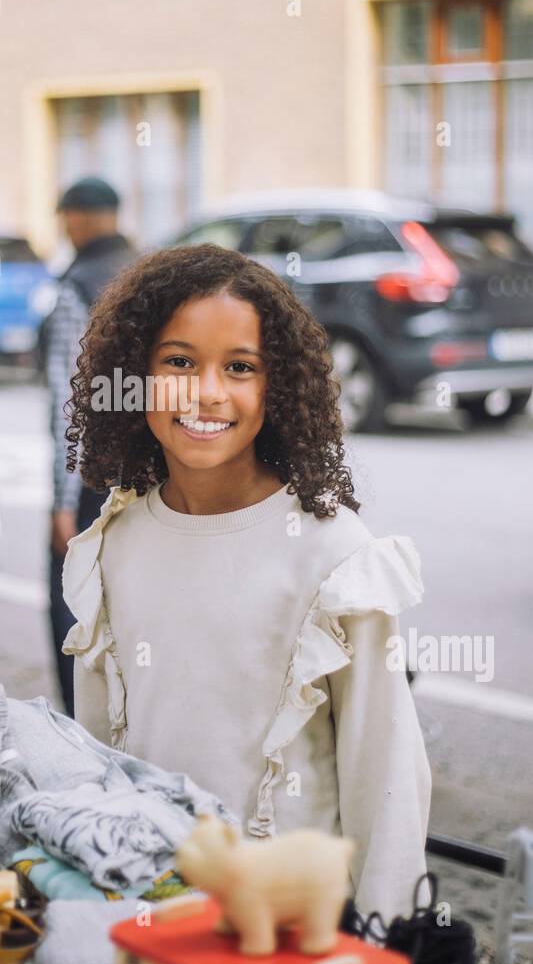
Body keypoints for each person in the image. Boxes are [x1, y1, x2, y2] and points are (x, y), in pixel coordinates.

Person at [60, 244, 432, 922]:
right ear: (132, 376)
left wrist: (391, 946)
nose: (207, 392)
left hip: (293, 932)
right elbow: (95, 758)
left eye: (240, 367)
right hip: (145, 918)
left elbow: (387, 780)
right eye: (178, 362)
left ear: (280, 385)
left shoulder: (335, 554)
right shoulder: (112, 546)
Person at [44, 176, 136, 715]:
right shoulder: (146, 273)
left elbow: (67, 398)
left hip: (91, 478)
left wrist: (61, 497)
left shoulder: (74, 287)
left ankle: (83, 722)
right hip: (148, 471)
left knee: (74, 599)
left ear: (76, 219)